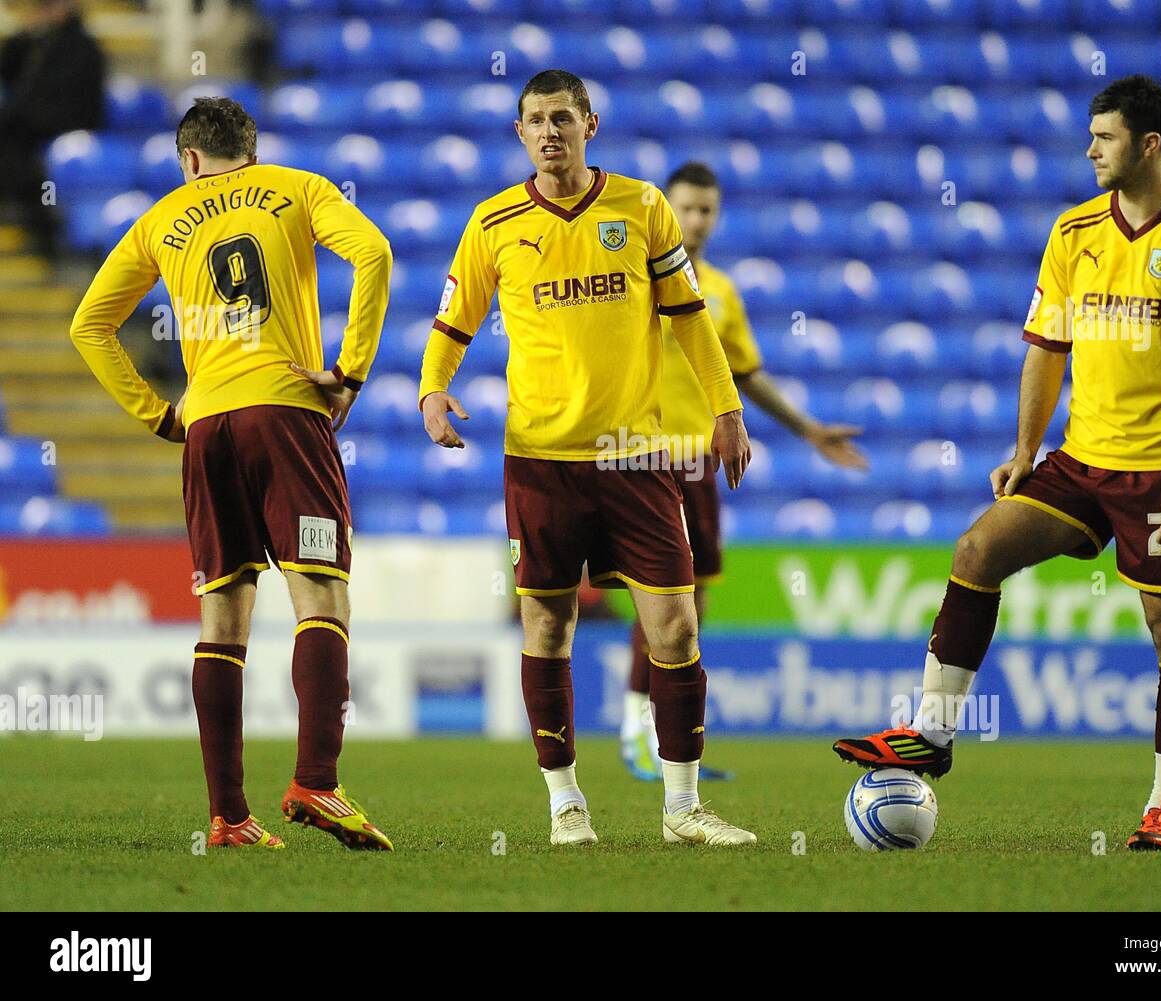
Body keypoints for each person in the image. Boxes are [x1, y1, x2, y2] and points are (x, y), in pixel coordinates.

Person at [833, 75, 1161, 852]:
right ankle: (934, 735)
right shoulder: (1073, 233)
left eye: (1106, 137)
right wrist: (1025, 450)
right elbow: (1045, 347)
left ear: (1149, 144)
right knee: (976, 550)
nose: (1090, 149)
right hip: (1080, 461)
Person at [420, 70, 756, 847]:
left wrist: (726, 407)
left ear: (590, 124)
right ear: (520, 132)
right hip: (539, 458)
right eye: (534, 119)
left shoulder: (641, 206)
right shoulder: (494, 221)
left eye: (562, 118)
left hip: (636, 456)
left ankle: (682, 808)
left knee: (675, 628)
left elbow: (689, 317)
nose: (549, 131)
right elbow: (451, 319)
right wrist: (434, 389)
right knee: (547, 626)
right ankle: (565, 802)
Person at [69, 97, 395, 851]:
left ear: (188, 159)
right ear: (252, 148)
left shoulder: (162, 218)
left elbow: (89, 322)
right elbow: (375, 253)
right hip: (285, 411)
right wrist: (348, 371)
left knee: (222, 616)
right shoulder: (298, 187)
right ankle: (316, 779)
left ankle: (229, 816)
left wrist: (158, 413)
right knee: (321, 593)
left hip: (207, 426)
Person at [620, 160, 868, 781]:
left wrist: (807, 428)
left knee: (694, 598)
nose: (696, 221)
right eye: (685, 208)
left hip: (699, 460)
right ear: (663, 211)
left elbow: (744, 374)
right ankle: (634, 733)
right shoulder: (631, 281)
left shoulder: (722, 293)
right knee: (659, 595)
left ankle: (666, 737)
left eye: (706, 210)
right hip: (639, 453)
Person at [0, 0, 105, 254]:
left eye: (48, 7)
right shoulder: (37, 43)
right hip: (32, 127)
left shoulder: (82, 48)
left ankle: (46, 234)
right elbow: (6, 67)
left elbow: (70, 100)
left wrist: (22, 117)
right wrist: (26, 34)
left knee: (20, 152)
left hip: (65, 128)